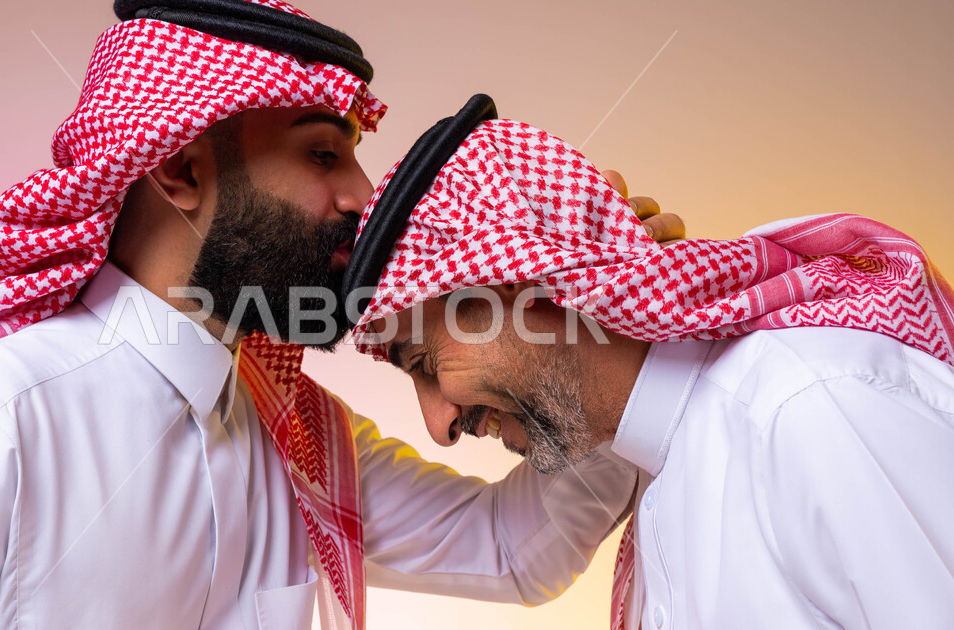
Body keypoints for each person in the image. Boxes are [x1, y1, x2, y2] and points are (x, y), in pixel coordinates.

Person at [0, 5, 682, 630]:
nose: (361, 197)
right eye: (321, 154)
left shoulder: (297, 435)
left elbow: (511, 551)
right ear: (180, 171)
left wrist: (600, 344)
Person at [346, 101, 954, 629]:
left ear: (521, 282)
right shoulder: (668, 478)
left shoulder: (808, 409)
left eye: (427, 361)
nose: (439, 425)